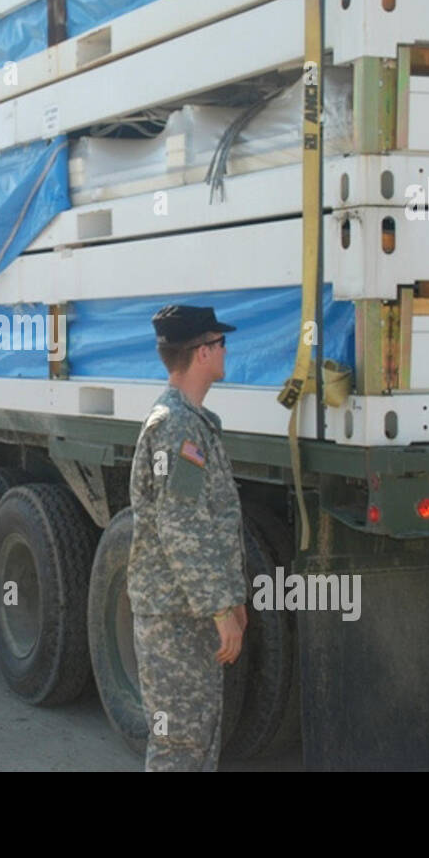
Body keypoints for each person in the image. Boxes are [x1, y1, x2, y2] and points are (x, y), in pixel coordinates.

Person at [128, 305, 249, 771]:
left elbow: (207, 522)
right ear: (201, 353)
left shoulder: (192, 422)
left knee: (198, 740)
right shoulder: (176, 426)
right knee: (179, 746)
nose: (224, 351)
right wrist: (220, 606)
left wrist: (230, 598)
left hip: (187, 612)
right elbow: (181, 525)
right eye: (219, 343)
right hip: (174, 618)